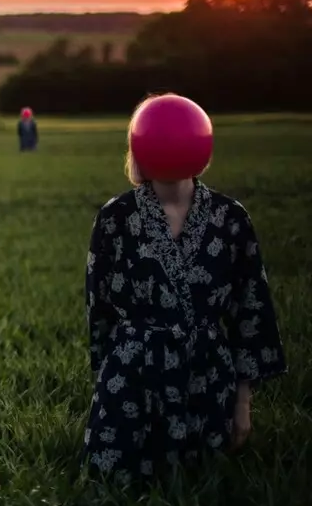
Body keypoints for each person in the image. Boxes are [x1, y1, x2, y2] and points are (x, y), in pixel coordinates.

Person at [83, 95, 287, 485]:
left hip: (206, 376)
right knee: (115, 491)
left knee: (205, 490)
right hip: (133, 375)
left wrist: (242, 403)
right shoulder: (115, 218)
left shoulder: (231, 219)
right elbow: (100, 308)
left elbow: (251, 311)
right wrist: (107, 391)